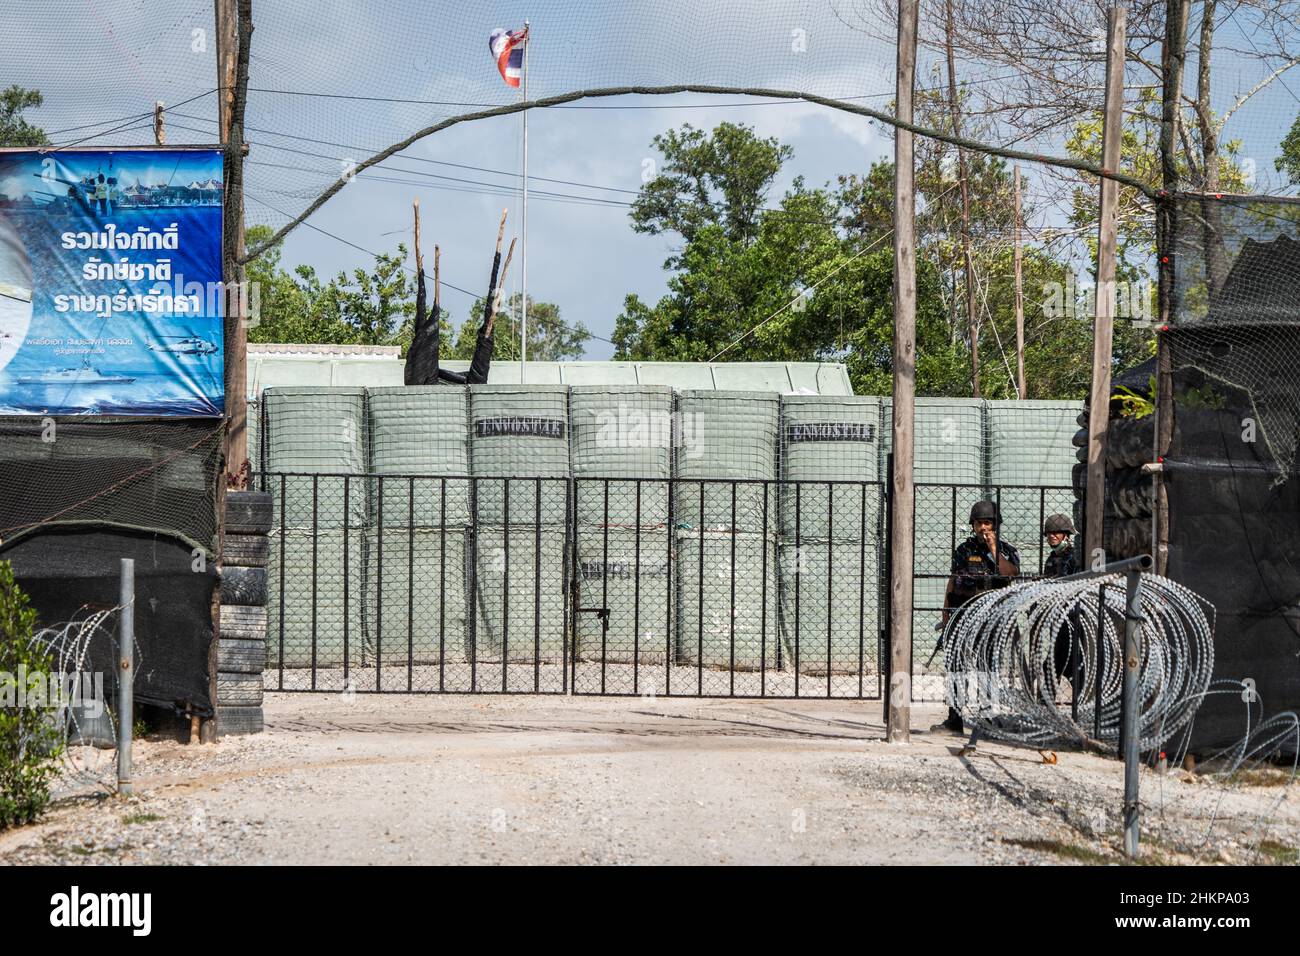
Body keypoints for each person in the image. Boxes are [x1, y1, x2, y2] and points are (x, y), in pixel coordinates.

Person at [932, 499, 1021, 733]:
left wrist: (994, 550)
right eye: (980, 523)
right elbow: (952, 582)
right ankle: (955, 718)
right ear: (973, 525)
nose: (984, 528)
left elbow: (1010, 574)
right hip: (962, 615)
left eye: (988, 523)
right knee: (957, 666)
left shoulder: (1007, 551)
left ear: (995, 526)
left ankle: (988, 718)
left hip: (990, 618)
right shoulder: (964, 550)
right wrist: (945, 616)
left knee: (987, 666)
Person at [1041, 513, 1084, 700]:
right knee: (1059, 661)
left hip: (1072, 616)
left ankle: (1049, 703)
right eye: (1049, 533)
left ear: (1066, 534)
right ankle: (1050, 703)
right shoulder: (1051, 558)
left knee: (1062, 661)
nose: (1052, 536)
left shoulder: (1074, 557)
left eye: (1057, 532)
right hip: (1056, 616)